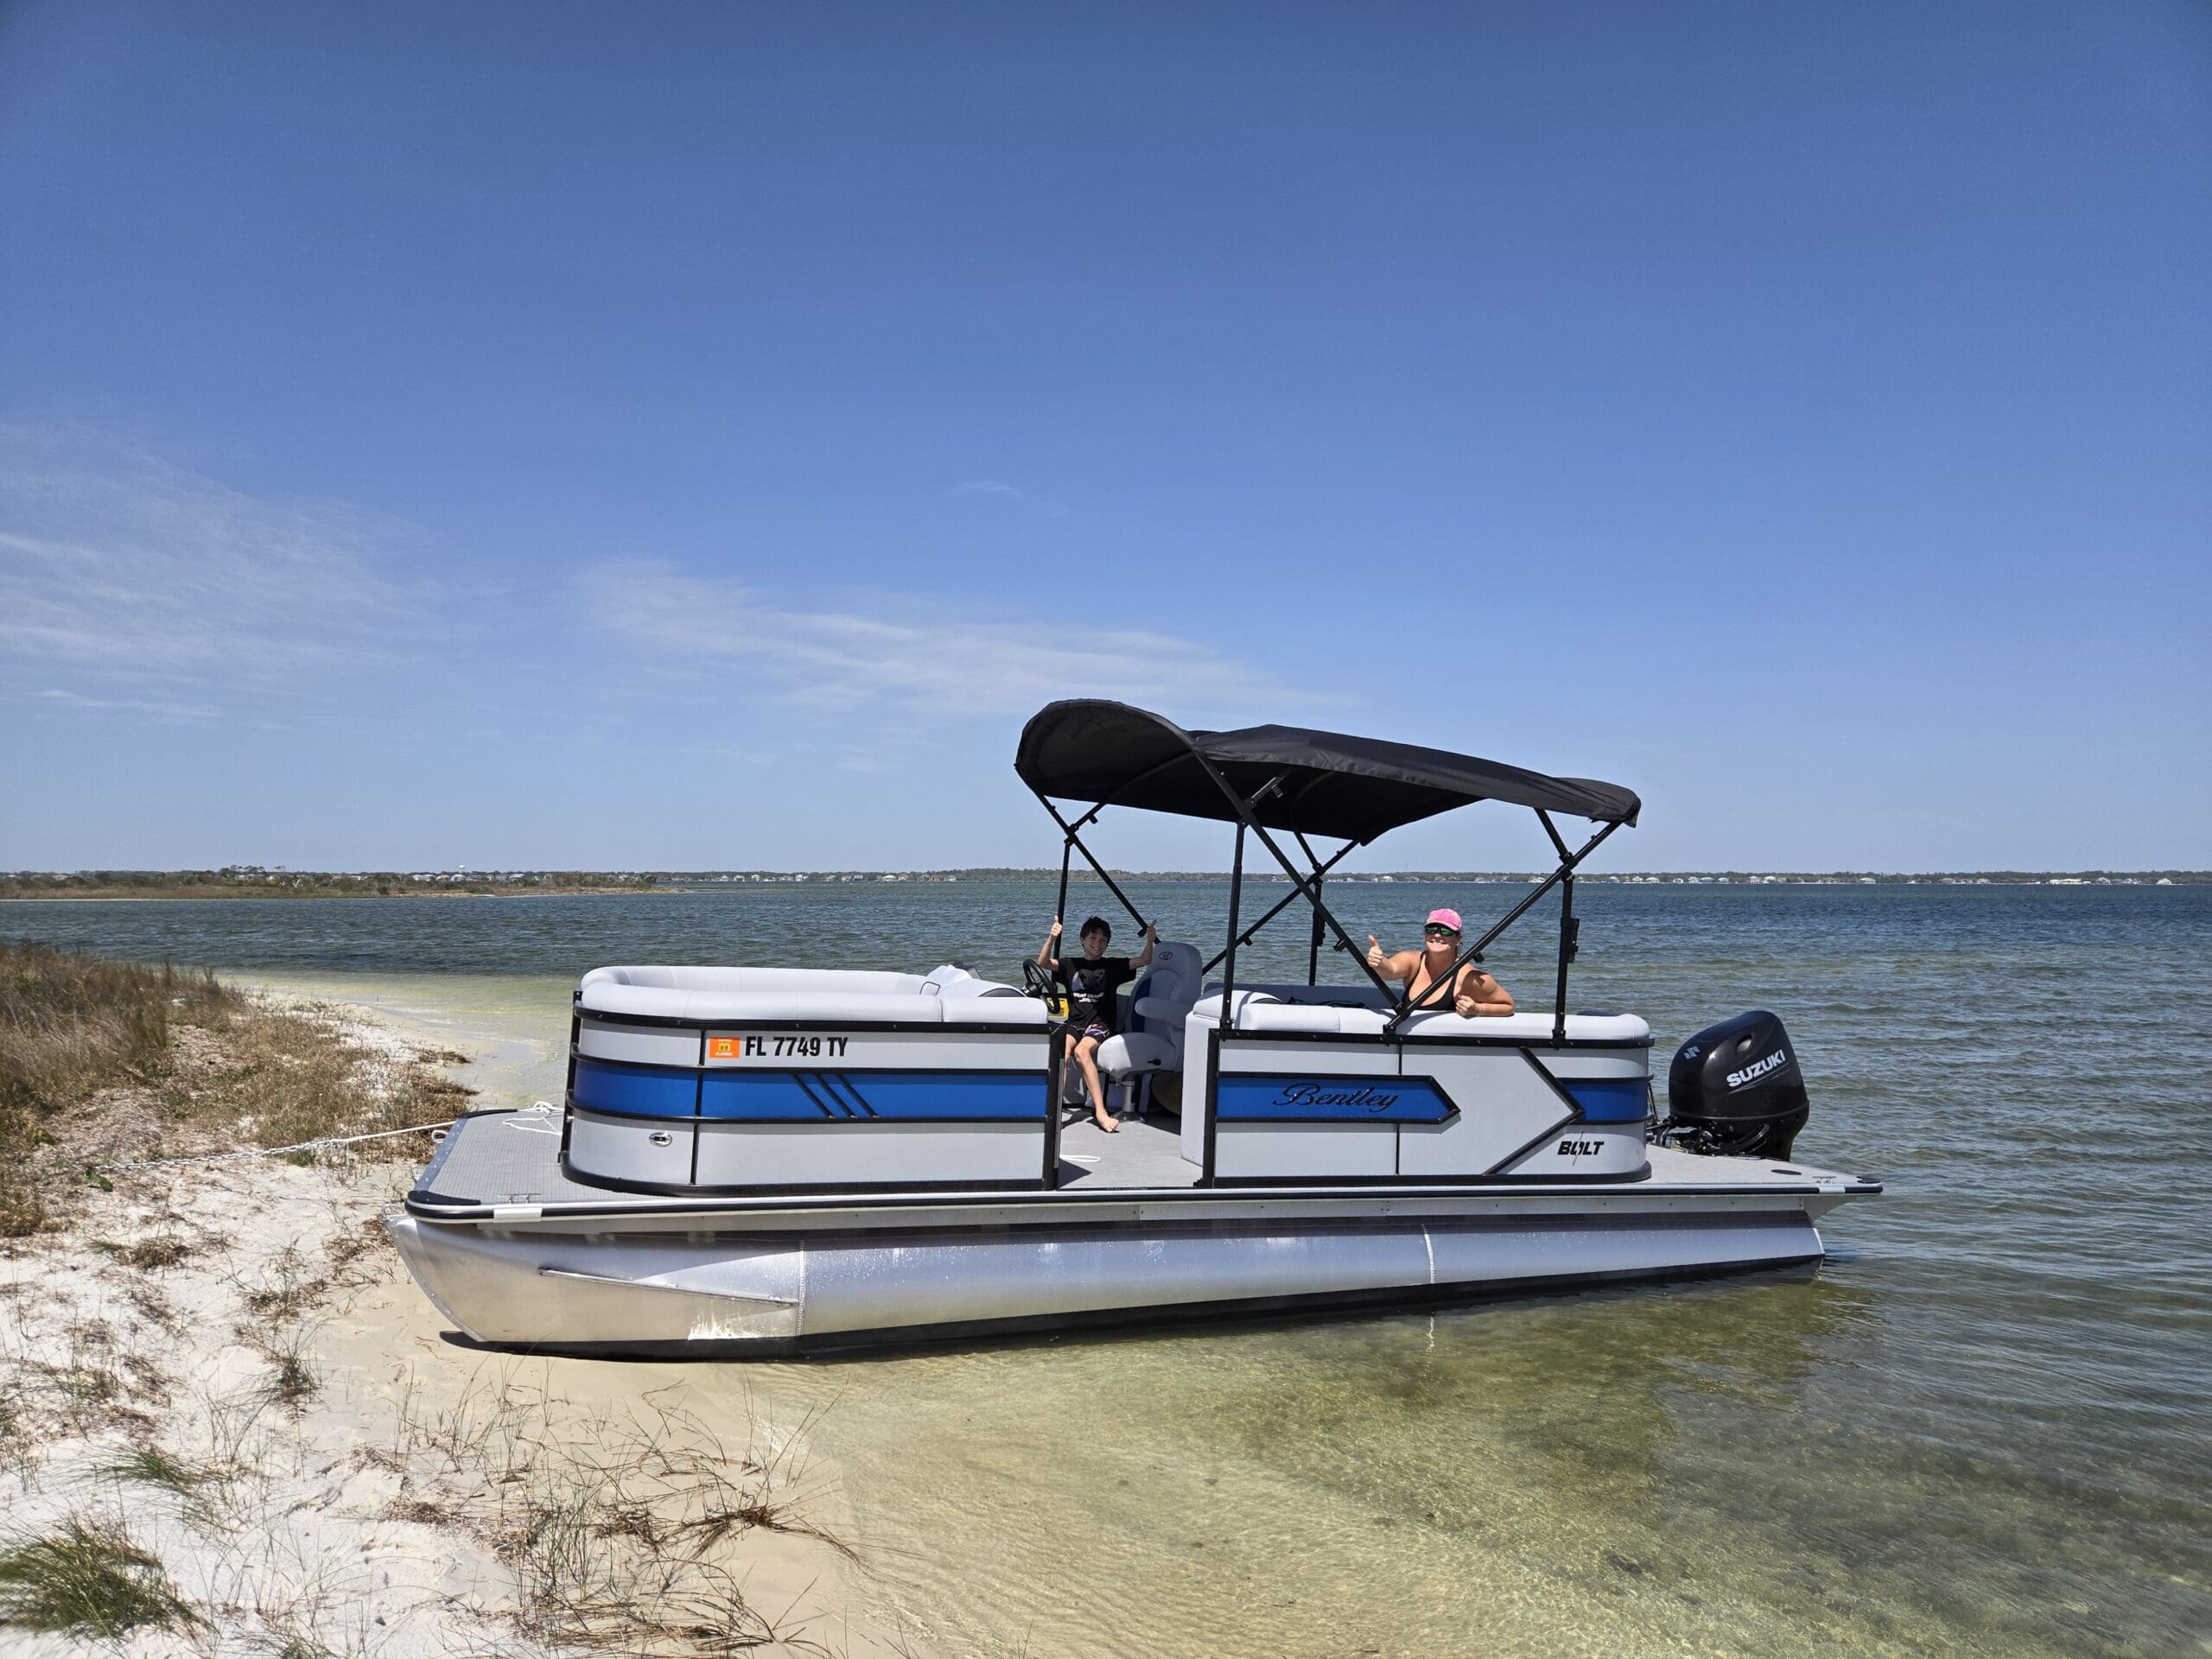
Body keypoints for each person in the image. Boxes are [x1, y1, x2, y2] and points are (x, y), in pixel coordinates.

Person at [1038, 913, 1156, 1133]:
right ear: (1082, 939)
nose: (1097, 944)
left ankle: (1101, 1113)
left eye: (1103, 940)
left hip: (1100, 1024)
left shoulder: (1112, 966)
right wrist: (1052, 937)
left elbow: (1144, 960)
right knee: (1062, 1051)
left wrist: (1150, 939)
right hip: (1075, 1023)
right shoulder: (1070, 964)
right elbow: (1043, 962)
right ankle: (1053, 1110)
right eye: (1093, 938)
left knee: (1082, 1052)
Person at [1365, 908, 1515, 1016]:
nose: (1437, 935)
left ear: (1458, 939)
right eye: (1431, 929)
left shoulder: (1470, 977)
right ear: (1425, 935)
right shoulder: (1412, 960)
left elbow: (1508, 1006)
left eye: (1446, 931)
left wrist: (1477, 1009)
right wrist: (1379, 961)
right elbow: (1390, 970)